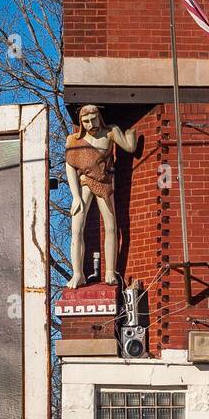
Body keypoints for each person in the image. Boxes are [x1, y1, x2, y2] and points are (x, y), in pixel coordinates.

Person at [65, 105, 139, 287]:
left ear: (99, 117)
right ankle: (78, 274)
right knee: (76, 229)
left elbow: (129, 147)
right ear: (81, 123)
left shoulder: (111, 132)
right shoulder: (74, 140)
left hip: (105, 184)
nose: (90, 124)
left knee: (112, 227)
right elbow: (70, 167)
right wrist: (75, 196)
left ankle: (110, 272)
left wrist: (131, 134)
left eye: (93, 119)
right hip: (83, 184)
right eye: (86, 121)